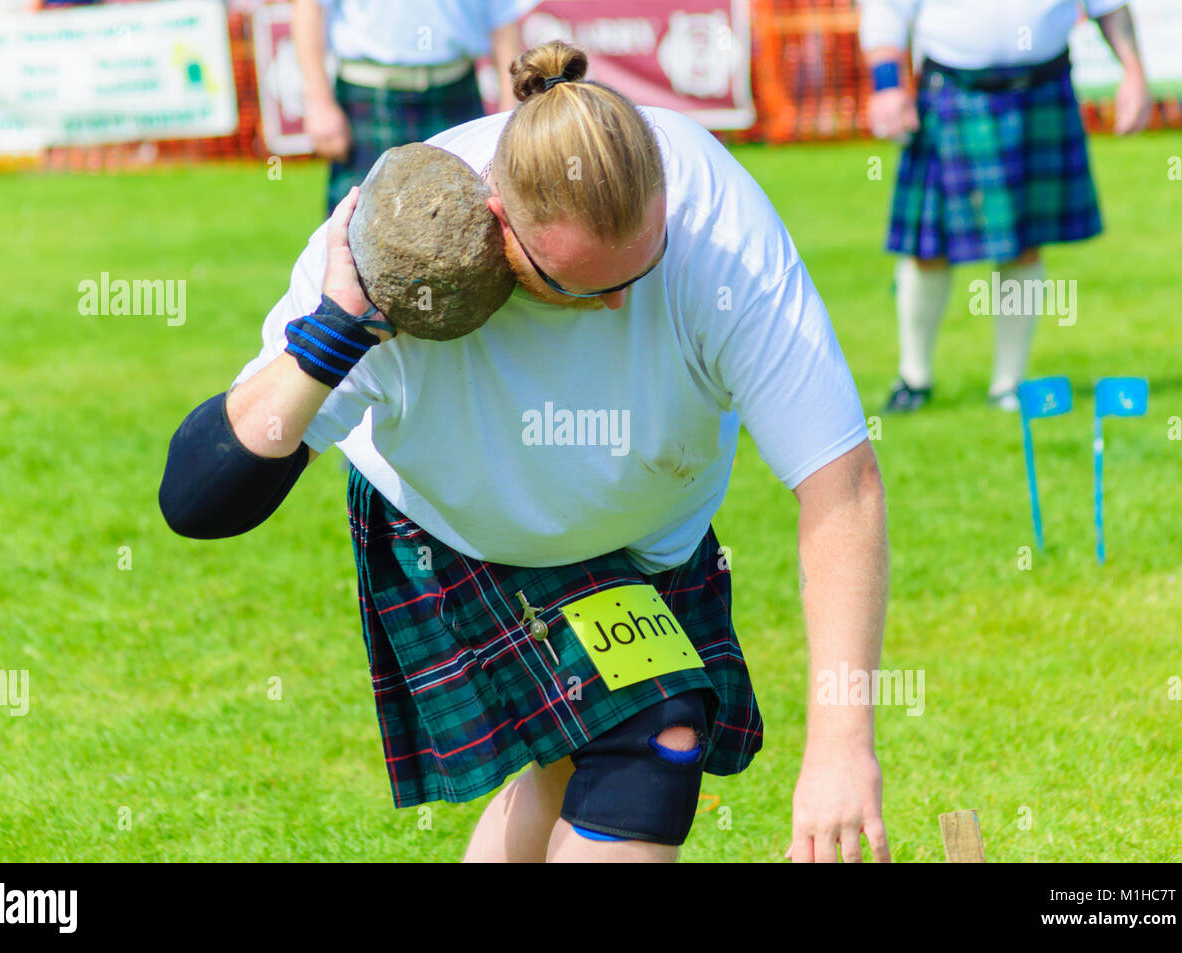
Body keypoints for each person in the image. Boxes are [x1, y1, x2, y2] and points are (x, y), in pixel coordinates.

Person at [159, 41, 891, 863]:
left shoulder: (717, 228)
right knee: (657, 733)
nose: (619, 304)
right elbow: (196, 501)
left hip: (653, 524)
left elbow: (843, 485)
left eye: (639, 273)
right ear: (499, 221)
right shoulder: (402, 255)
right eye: (583, 287)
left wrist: (841, 742)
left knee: (571, 757)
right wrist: (335, 333)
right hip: (460, 517)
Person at [861, 1, 1151, 412]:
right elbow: (888, 10)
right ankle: (914, 377)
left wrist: (1135, 74)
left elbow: (1108, 5)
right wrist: (887, 84)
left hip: (1042, 86)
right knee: (929, 247)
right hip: (953, 87)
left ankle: (1009, 384)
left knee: (1022, 241)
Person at [292, 0, 535, 216]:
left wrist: (510, 113)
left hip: (455, 92)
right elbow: (309, 7)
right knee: (356, 229)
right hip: (370, 94)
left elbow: (503, 21)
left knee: (468, 222)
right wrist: (319, 102)